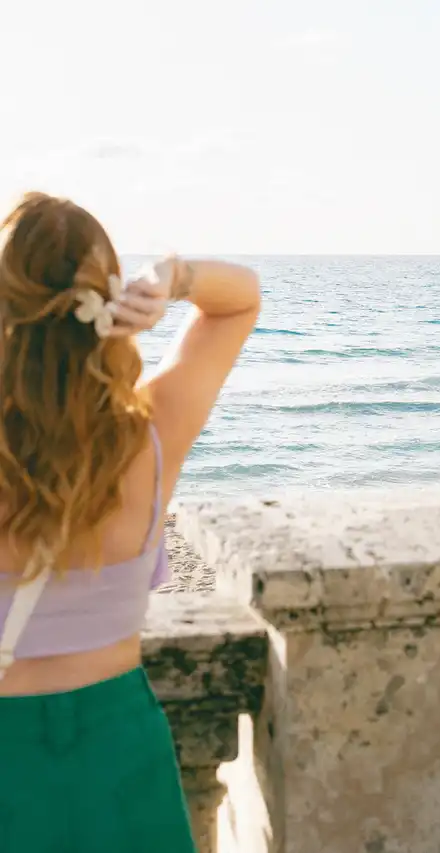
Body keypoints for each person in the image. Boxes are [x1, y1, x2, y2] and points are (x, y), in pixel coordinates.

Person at [0, 191, 261, 852]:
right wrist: (172, 278)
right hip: (120, 748)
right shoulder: (151, 435)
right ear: (109, 301)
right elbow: (240, 301)